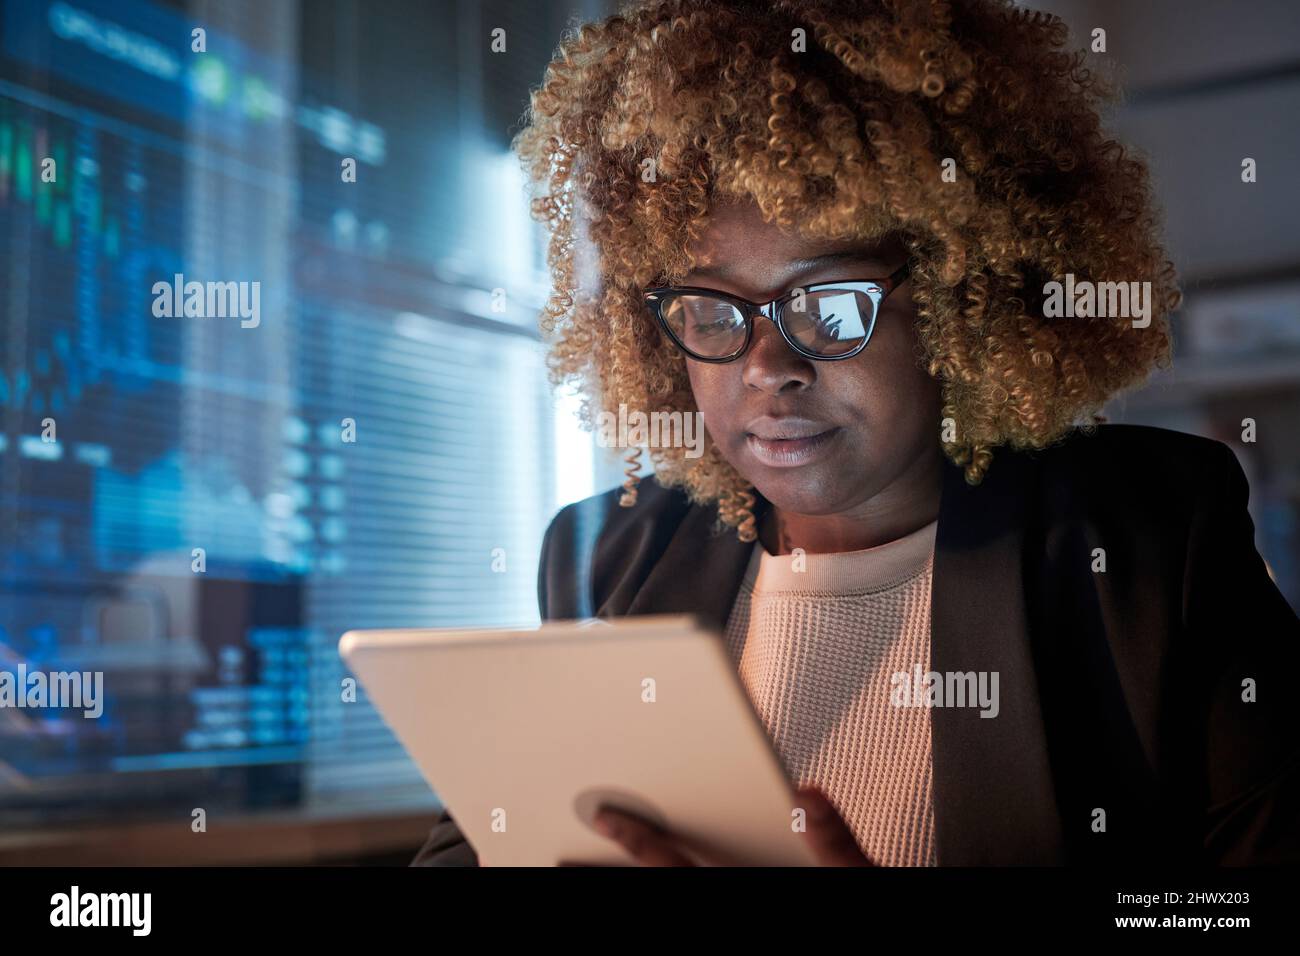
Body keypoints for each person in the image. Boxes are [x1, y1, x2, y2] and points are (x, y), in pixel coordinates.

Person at [412, 0, 1300, 866]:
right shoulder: (607, 554)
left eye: (829, 304)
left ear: (966, 302)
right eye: (713, 310)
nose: (766, 366)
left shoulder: (1147, 542)